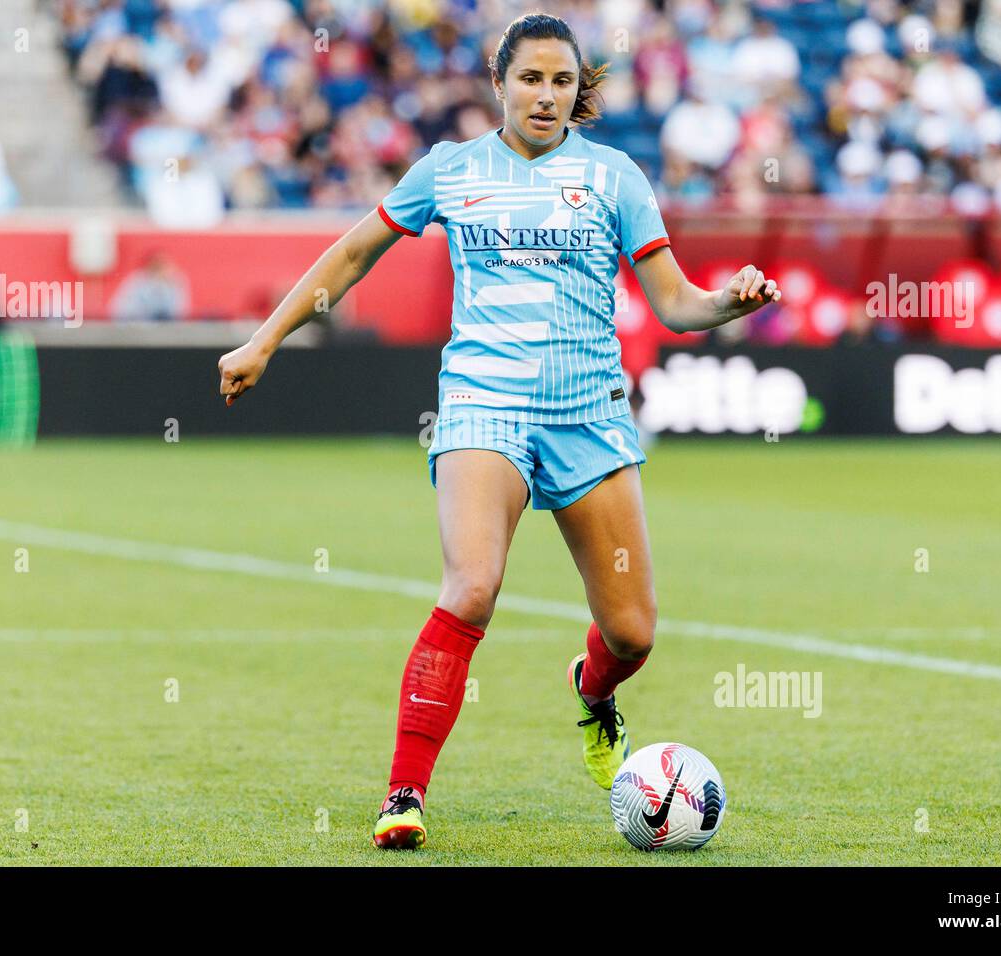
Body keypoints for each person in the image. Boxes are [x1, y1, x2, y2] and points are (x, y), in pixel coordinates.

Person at [216, 13, 781, 850]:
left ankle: (592, 692)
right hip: (483, 406)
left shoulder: (615, 177)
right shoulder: (451, 171)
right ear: (499, 83)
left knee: (632, 633)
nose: (546, 96)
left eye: (562, 81)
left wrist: (726, 304)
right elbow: (351, 255)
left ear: (578, 89)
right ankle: (403, 794)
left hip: (590, 415)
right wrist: (266, 339)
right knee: (471, 586)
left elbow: (676, 303)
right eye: (531, 79)